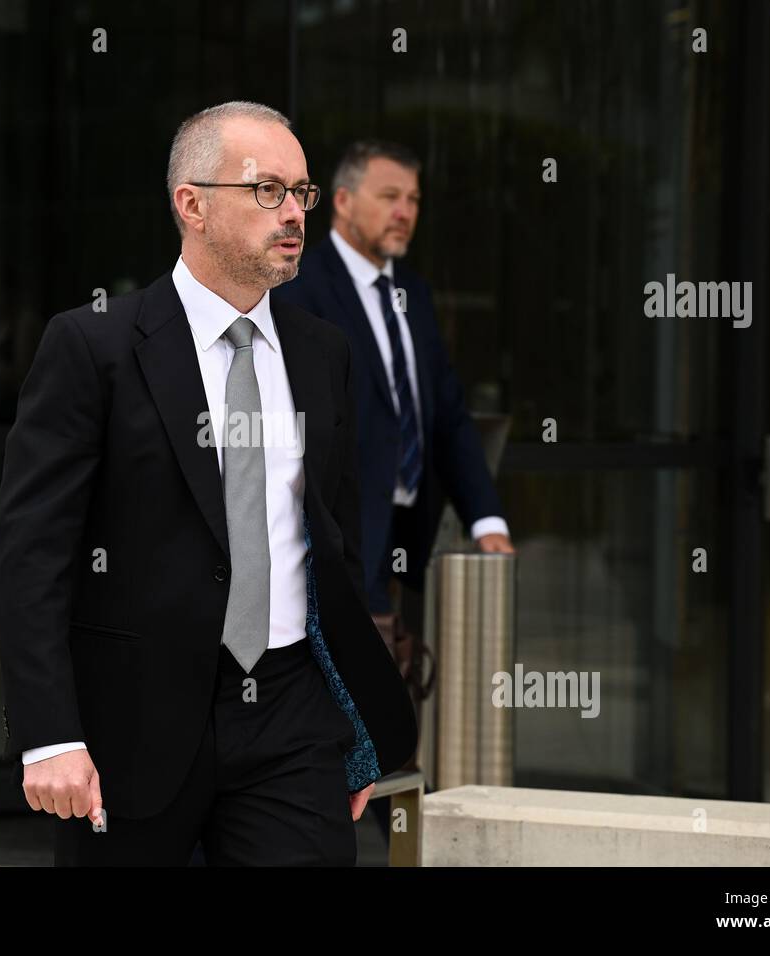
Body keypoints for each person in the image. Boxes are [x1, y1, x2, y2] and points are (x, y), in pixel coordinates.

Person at [0, 102, 417, 866]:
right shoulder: (94, 348)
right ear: (191, 203)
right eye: (268, 191)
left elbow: (336, 547)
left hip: (291, 716)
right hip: (133, 720)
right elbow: (32, 560)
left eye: (302, 194)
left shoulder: (324, 354)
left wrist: (352, 719)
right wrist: (49, 735)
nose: (293, 213)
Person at [275, 140, 514, 842]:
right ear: (342, 202)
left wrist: (487, 518)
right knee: (356, 697)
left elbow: (446, 416)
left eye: (412, 200)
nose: (404, 212)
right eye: (389, 196)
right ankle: (362, 836)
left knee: (394, 692)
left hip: (409, 543)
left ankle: (396, 836)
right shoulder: (300, 282)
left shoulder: (414, 294)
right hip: (341, 540)